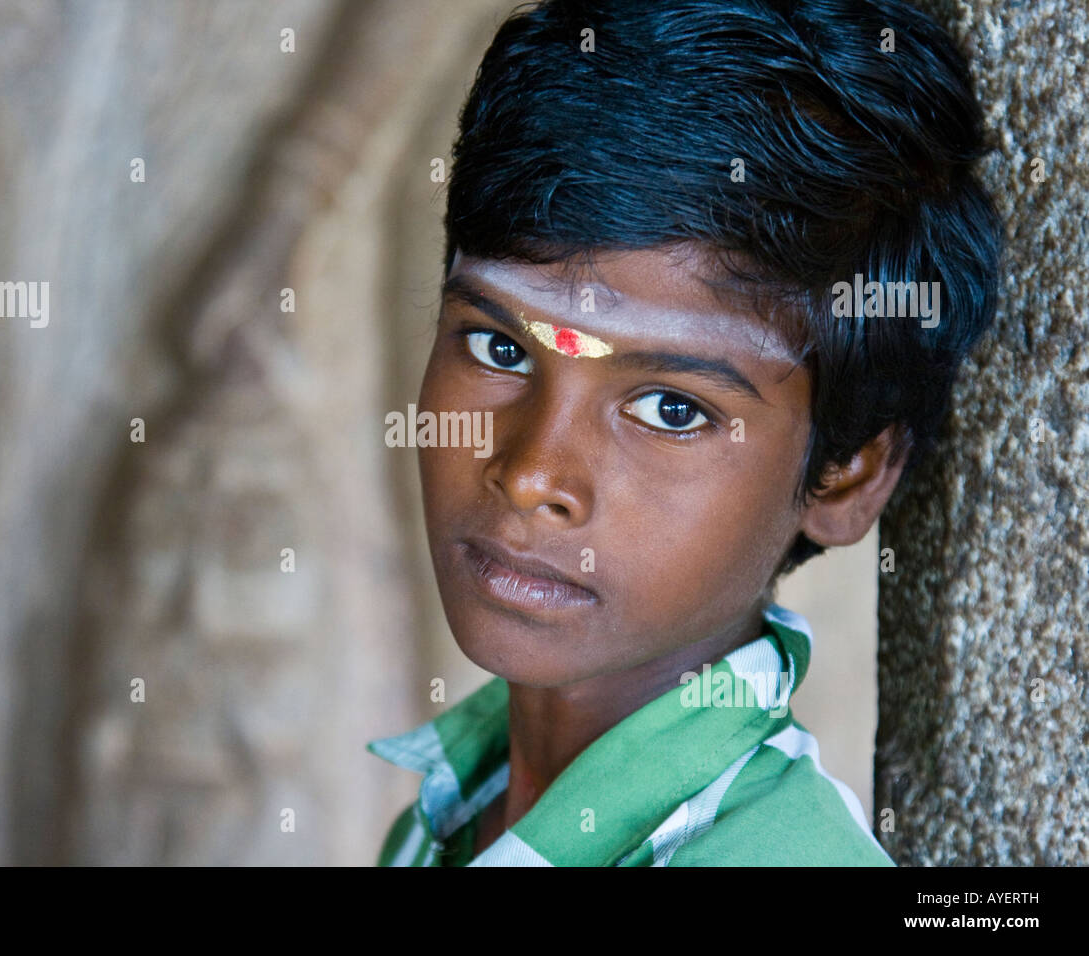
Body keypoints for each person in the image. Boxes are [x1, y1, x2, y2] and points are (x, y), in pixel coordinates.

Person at [367, 0, 1001, 866]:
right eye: (498, 345)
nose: (531, 474)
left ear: (845, 475)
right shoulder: (447, 816)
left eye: (672, 409)